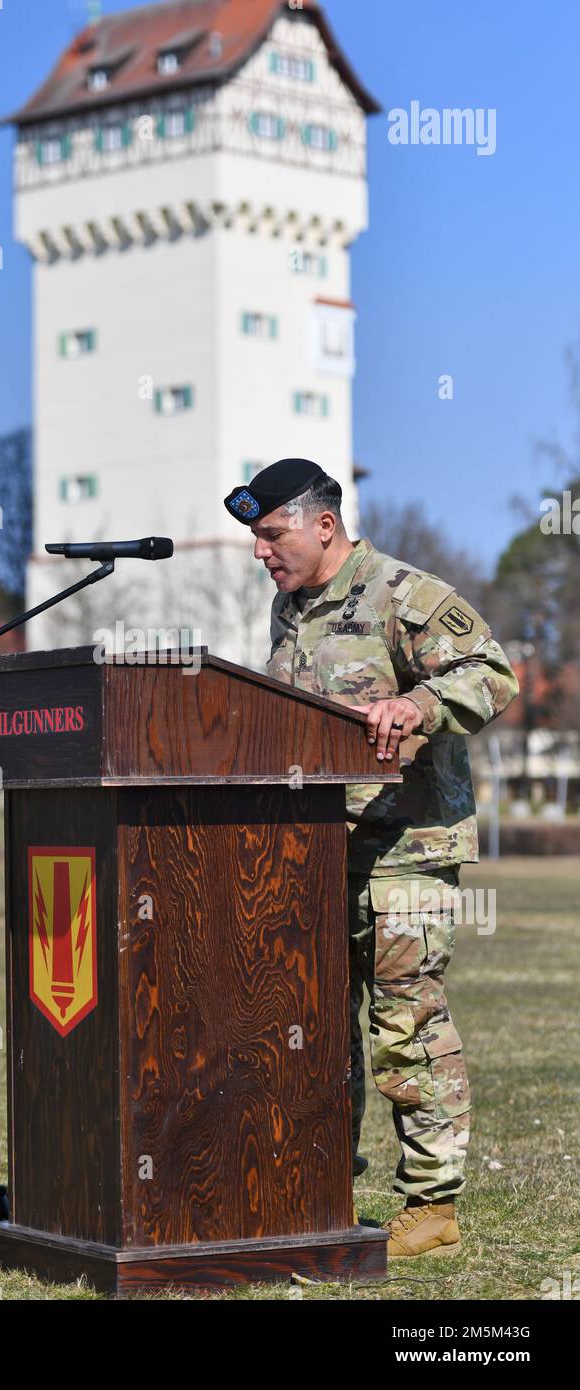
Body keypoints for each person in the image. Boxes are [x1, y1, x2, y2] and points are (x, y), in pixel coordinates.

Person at [224, 458, 519, 1257]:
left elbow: (493, 674)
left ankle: (432, 1205)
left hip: (405, 847)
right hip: (312, 847)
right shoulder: (291, 607)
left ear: (325, 525)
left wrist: (414, 703)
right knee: (314, 1025)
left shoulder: (404, 593)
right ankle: (323, 1183)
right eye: (255, 538)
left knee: (404, 1022)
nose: (260, 552)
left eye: (270, 534)